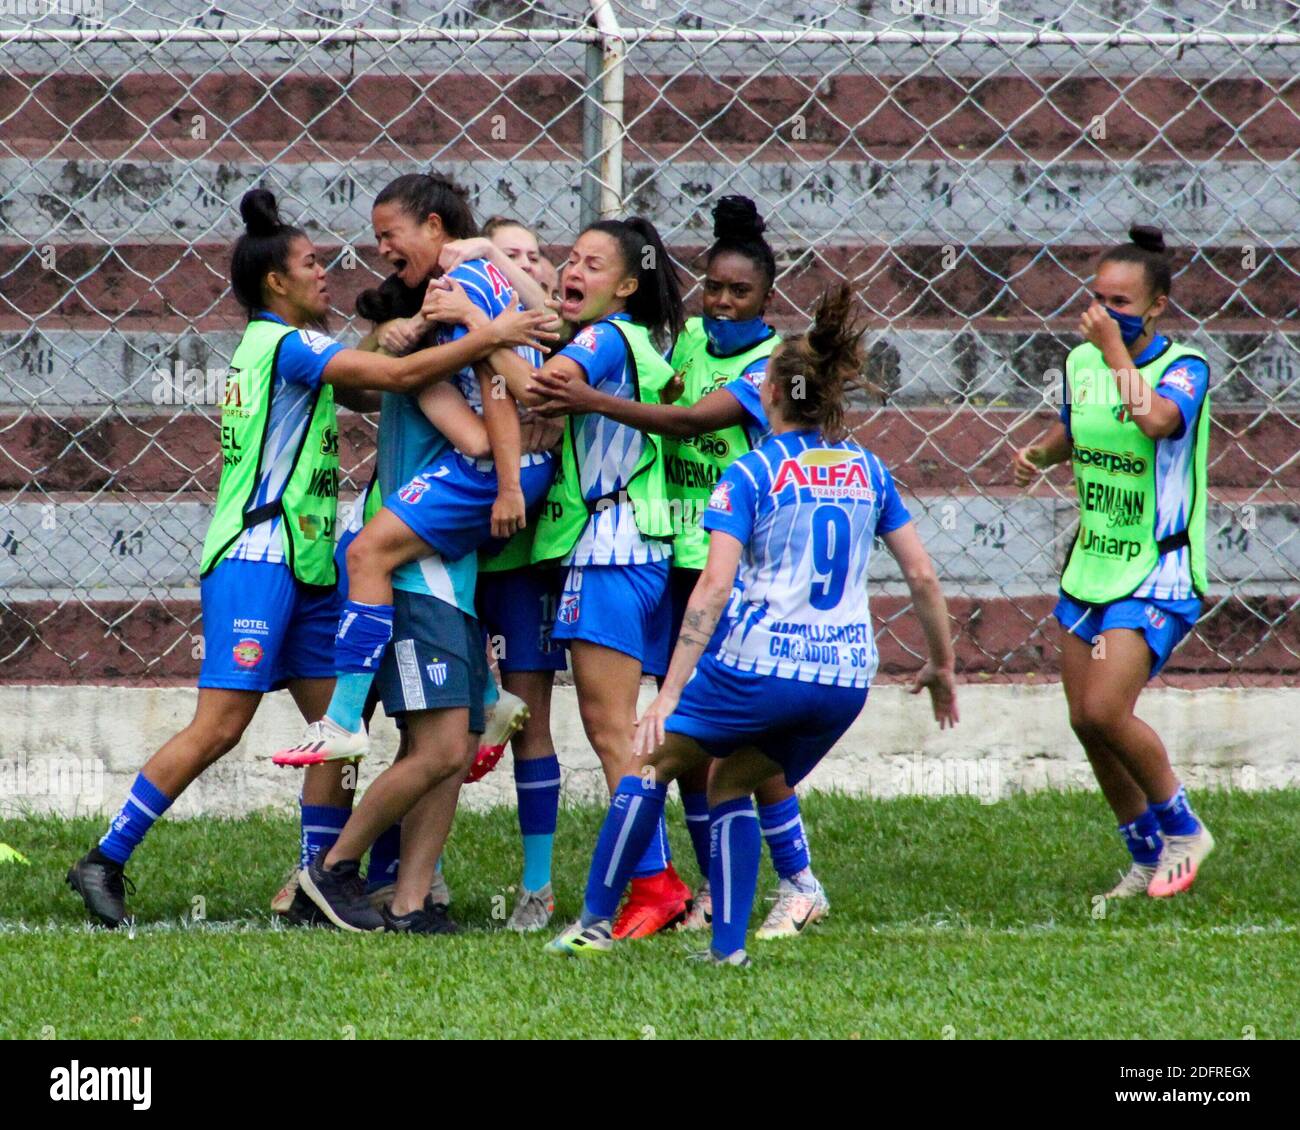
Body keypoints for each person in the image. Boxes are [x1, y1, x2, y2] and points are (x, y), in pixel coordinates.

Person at [65, 187, 534, 928]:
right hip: (255, 558)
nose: (328, 274)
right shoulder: (283, 343)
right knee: (221, 725)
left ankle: (323, 881)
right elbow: (390, 379)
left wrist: (418, 329)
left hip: (308, 566)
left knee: (337, 735)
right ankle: (105, 857)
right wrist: (490, 333)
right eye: (312, 264)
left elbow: (380, 371)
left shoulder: (298, 350)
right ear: (275, 283)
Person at [545, 283, 959, 964]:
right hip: (844, 677)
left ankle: (594, 920)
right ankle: (728, 951)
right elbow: (922, 576)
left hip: (761, 666)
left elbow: (712, 587)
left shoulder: (750, 472)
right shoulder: (869, 471)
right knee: (731, 780)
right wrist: (941, 667)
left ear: (768, 395)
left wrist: (673, 689)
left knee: (649, 763)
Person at [529, 196, 829, 941]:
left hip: (735, 570)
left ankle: (798, 879)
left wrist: (590, 397)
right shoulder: (689, 338)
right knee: (689, 739)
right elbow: (663, 391)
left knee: (739, 741)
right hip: (672, 557)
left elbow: (692, 421)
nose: (722, 302)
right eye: (713, 288)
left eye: (740, 293)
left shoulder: (772, 364)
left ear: (766, 297)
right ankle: (699, 892)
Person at [489, 216, 695, 932]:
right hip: (644, 546)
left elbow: (546, 390)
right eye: (569, 259)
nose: (572, 271)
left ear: (628, 286)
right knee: (628, 732)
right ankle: (662, 882)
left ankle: (655, 886)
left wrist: (486, 333)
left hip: (608, 552)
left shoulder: (605, 339)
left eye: (593, 265)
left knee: (612, 734)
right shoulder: (633, 340)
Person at [1013, 224, 1214, 900]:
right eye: (1100, 299)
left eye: (1124, 302)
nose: (1107, 312)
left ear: (1157, 305)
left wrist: (1109, 349)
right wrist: (1042, 453)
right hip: (1091, 563)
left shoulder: (1185, 367)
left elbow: (1154, 419)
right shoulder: (1080, 364)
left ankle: (1185, 829)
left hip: (1156, 568)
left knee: (1105, 709)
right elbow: (1078, 427)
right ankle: (1146, 853)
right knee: (1084, 719)